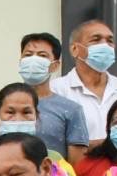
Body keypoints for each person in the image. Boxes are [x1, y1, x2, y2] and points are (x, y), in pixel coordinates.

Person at [51, 19, 117, 141]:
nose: (105, 45)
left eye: (110, 41)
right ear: (75, 49)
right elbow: (54, 142)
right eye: (96, 40)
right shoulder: (56, 90)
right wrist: (105, 146)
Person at [11, 31, 89, 164]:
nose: (33, 60)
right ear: (20, 62)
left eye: (42, 55)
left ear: (55, 65)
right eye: (28, 55)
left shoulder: (71, 110)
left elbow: (76, 165)